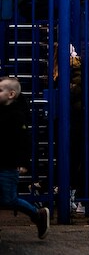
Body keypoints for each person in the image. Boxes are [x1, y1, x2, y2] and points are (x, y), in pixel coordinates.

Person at [0, 77, 49, 240]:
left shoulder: (17, 115)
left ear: (11, 94)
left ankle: (37, 214)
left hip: (8, 163)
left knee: (9, 199)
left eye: (0, 90)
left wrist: (23, 161)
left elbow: (24, 140)